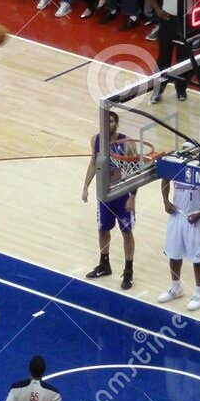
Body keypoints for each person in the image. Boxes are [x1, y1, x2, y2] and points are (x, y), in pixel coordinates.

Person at [81, 110, 137, 289]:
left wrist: (133, 197)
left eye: (112, 122)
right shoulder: (95, 140)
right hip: (104, 193)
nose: (109, 125)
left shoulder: (127, 143)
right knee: (103, 229)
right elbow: (93, 163)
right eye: (106, 122)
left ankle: (128, 271)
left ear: (117, 124)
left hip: (122, 193)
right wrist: (85, 186)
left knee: (126, 231)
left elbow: (135, 171)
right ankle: (104, 264)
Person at [157, 173, 200, 310]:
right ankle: (175, 288)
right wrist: (165, 201)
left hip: (197, 217)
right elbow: (165, 177)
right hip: (177, 214)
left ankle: (199, 294)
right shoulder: (178, 165)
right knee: (174, 254)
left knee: (198, 259)